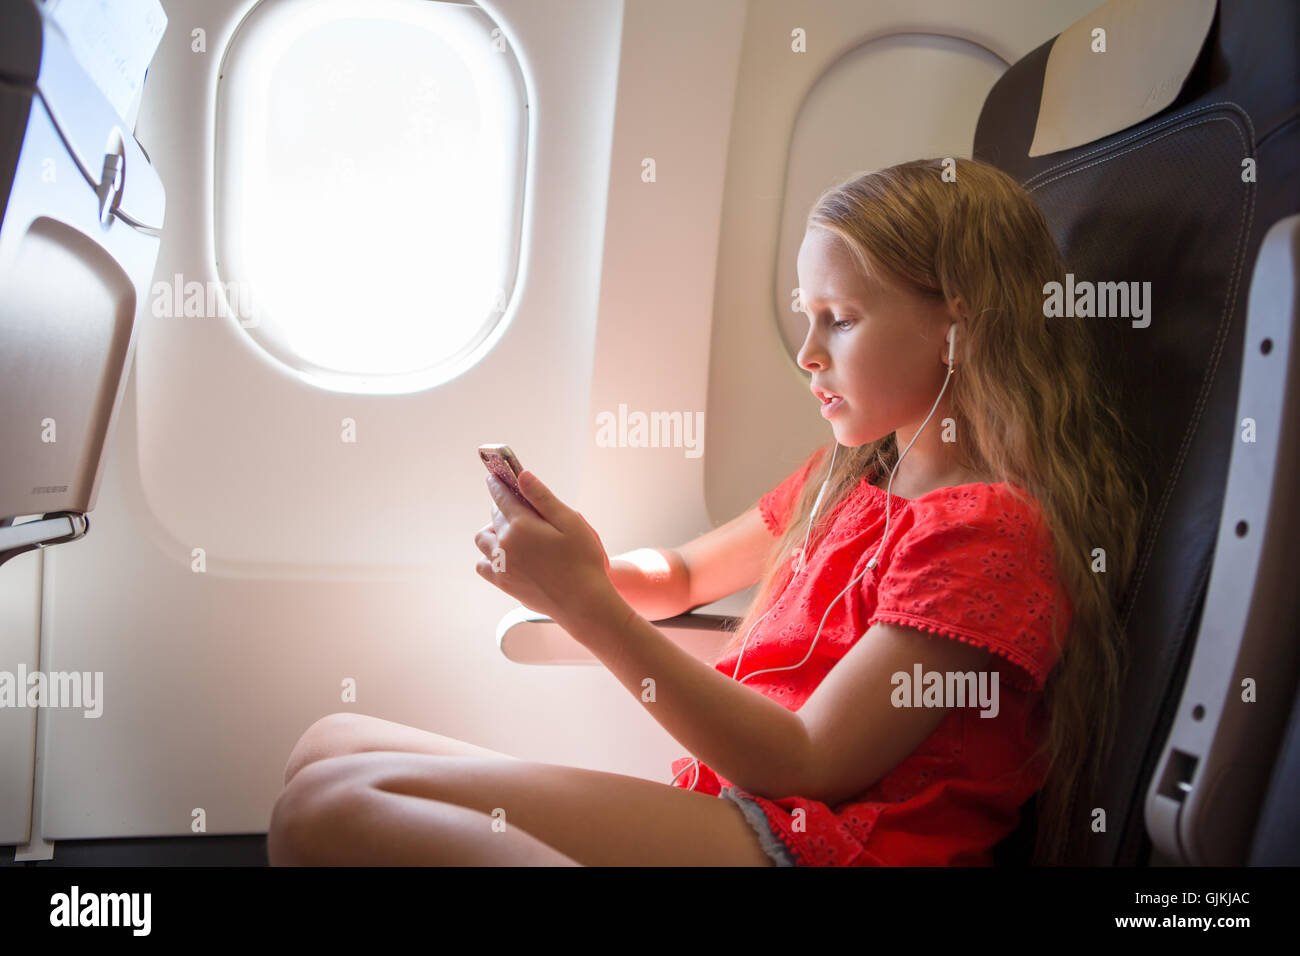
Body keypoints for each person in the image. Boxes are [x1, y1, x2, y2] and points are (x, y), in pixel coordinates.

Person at [268, 157, 1148, 867]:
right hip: (747, 811)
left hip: (825, 845)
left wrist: (587, 607)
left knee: (328, 813)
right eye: (807, 318)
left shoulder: (986, 532)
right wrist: (583, 566)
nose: (807, 354)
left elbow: (809, 760)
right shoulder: (847, 478)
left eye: (838, 319)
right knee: (329, 744)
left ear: (960, 324)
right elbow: (686, 576)